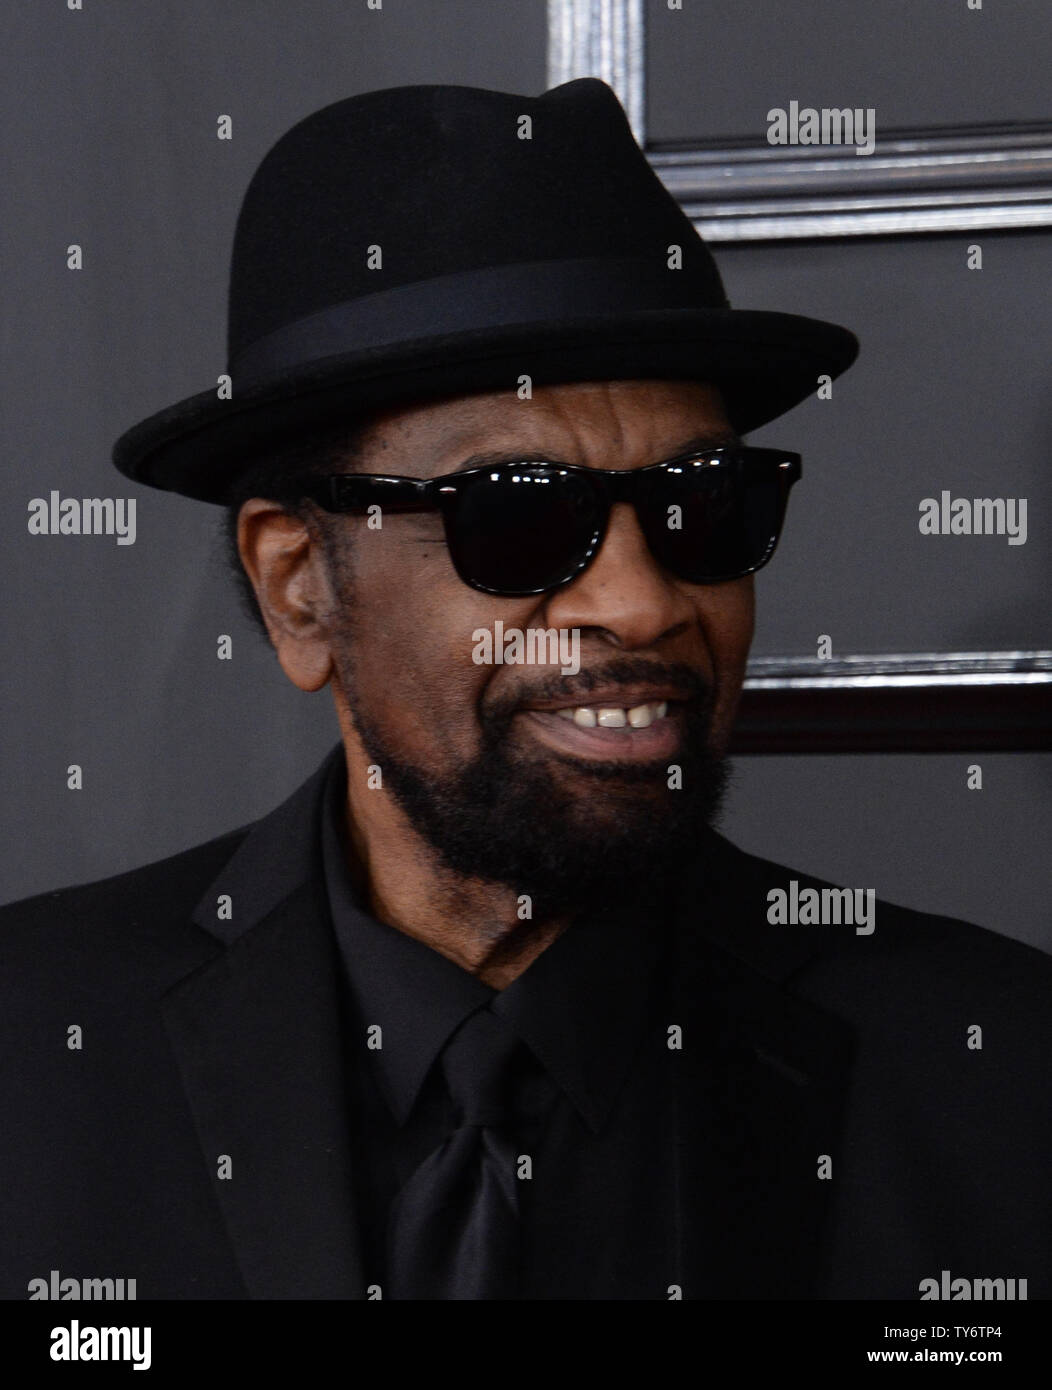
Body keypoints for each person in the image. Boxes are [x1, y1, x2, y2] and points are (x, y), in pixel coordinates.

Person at [1, 79, 1048, 1302]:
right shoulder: (33, 1051)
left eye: (699, 505)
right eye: (515, 514)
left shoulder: (996, 1076)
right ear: (299, 587)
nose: (643, 601)